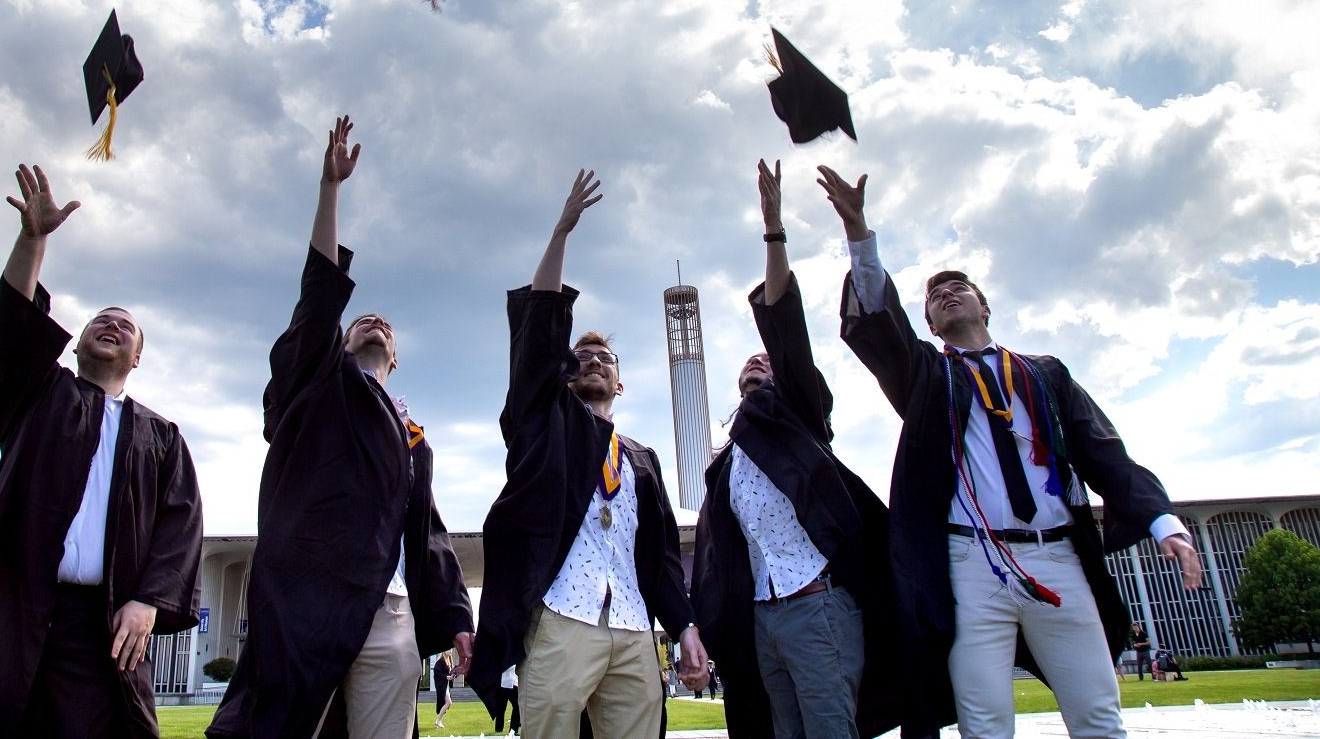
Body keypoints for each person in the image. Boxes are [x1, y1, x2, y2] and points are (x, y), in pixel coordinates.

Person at [818, 165, 1203, 738]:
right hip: (972, 563)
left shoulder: (1045, 375)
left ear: (985, 307)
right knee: (985, 721)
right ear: (930, 325)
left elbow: (1105, 452)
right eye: (934, 297)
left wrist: (1162, 521)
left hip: (1058, 558)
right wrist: (858, 233)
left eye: (959, 287)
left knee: (1098, 714)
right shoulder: (928, 378)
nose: (946, 293)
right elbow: (881, 326)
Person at [0, 164, 204, 739]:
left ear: (137, 358)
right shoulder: (38, 395)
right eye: (101, 320)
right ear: (77, 342)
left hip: (99, 624)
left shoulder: (161, 437)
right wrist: (32, 240)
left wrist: (148, 600)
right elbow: (13, 329)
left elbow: (179, 527)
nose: (112, 325)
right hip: (6, 605)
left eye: (126, 326)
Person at [208, 117, 474, 739]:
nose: (373, 322)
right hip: (307, 594)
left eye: (385, 326)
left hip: (390, 608)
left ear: (396, 358)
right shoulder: (319, 387)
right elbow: (319, 299)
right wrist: (330, 192)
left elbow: (428, 532)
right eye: (359, 322)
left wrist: (458, 616)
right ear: (341, 341)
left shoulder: (413, 438)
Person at [470, 169, 710, 739]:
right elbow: (537, 339)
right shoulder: (545, 425)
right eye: (582, 356)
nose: (595, 361)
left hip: (631, 622)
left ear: (621, 383)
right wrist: (560, 234)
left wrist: (685, 627)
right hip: (563, 615)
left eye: (606, 358)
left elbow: (662, 557)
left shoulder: (642, 460)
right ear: (565, 374)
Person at [691, 160, 906, 739]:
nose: (757, 359)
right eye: (750, 360)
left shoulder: (797, 418)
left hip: (817, 606)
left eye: (767, 360)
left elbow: (785, 327)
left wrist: (773, 230)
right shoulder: (726, 463)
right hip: (763, 618)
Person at [493, 665, 521, 735]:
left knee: (517, 706)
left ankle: (513, 729)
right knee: (501, 708)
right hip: (504, 683)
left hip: (512, 683)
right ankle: (500, 729)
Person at [434, 651, 454, 729]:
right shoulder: (440, 661)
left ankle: (438, 721)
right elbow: (437, 673)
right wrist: (446, 677)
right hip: (442, 685)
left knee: (445, 703)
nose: (450, 651)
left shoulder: (449, 660)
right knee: (448, 702)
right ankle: (438, 721)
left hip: (446, 685)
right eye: (448, 650)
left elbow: (449, 672)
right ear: (444, 651)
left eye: (451, 650)